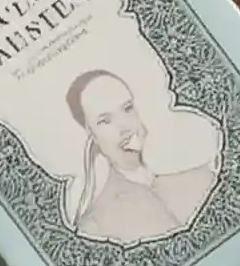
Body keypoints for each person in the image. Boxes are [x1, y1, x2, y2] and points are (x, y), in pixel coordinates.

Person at [65, 69, 217, 242]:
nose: (125, 128)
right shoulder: (95, 228)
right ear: (91, 134)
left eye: (128, 109)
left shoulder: (201, 177)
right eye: (105, 121)